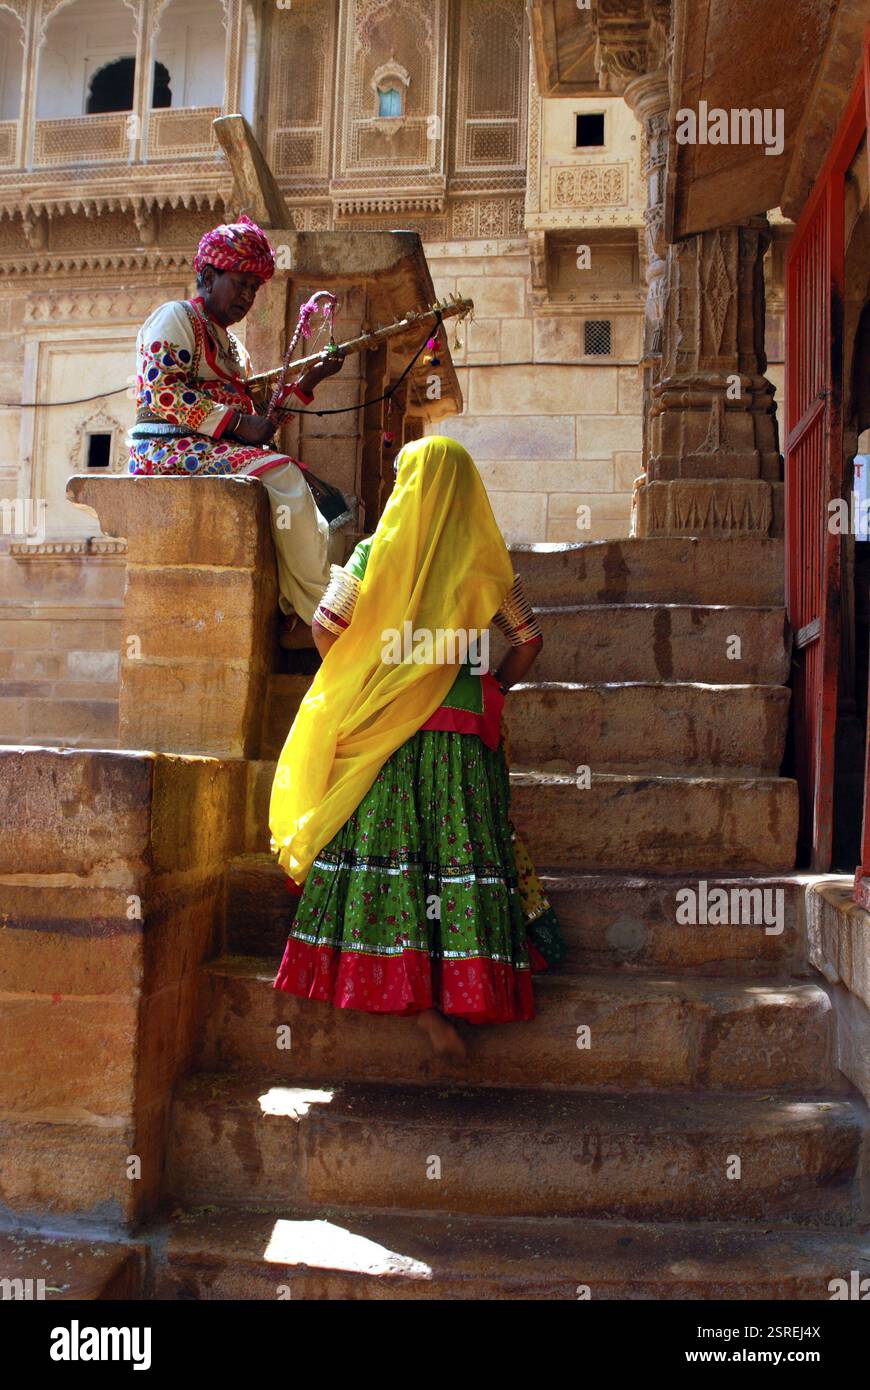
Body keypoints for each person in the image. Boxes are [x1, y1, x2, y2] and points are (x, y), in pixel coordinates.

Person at [269, 435, 565, 1059]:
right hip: (462, 729)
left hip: (389, 732)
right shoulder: (485, 561)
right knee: (459, 850)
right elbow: (530, 640)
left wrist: (366, 684)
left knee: (396, 852)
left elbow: (325, 627)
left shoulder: (377, 554)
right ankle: (467, 985)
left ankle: (418, 1001)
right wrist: (492, 685)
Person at [127, 212, 345, 624]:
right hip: (164, 448)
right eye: (240, 283)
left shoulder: (234, 348)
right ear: (209, 277)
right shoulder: (176, 318)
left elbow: (261, 417)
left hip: (209, 446)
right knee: (282, 473)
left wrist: (313, 377)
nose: (247, 296)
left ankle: (302, 603)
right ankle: (318, 608)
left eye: (254, 289)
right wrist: (241, 426)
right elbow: (161, 389)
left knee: (319, 494)